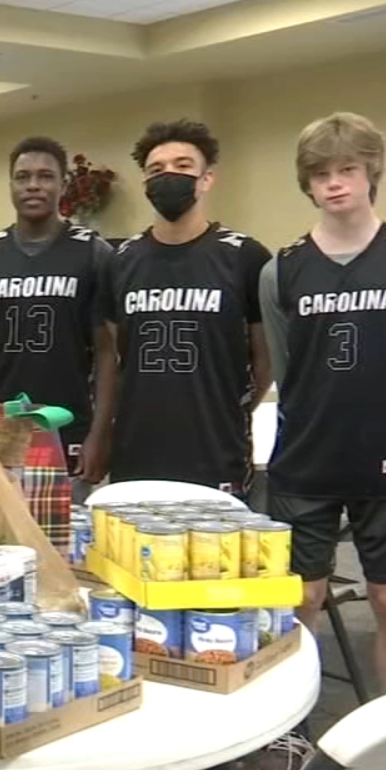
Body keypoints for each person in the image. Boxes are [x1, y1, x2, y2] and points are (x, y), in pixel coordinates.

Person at [255, 113, 386, 770]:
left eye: (346, 169)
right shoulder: (282, 269)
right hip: (306, 456)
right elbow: (288, 369)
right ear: (307, 183)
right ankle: (286, 733)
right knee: (302, 598)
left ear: (372, 170)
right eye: (320, 173)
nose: (334, 183)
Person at [99, 120, 271, 494]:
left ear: (207, 179)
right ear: (145, 184)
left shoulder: (245, 256)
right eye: (156, 170)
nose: (169, 176)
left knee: (216, 553)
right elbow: (111, 356)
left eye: (183, 166)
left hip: (216, 447)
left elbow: (266, 357)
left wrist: (232, 407)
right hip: (137, 446)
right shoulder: (121, 260)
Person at [0, 137, 117, 484]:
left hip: (68, 426)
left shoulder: (93, 255)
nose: (33, 186)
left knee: (67, 536)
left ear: (63, 183)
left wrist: (100, 434)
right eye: (23, 177)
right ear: (11, 184)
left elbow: (107, 353)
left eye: (45, 176)